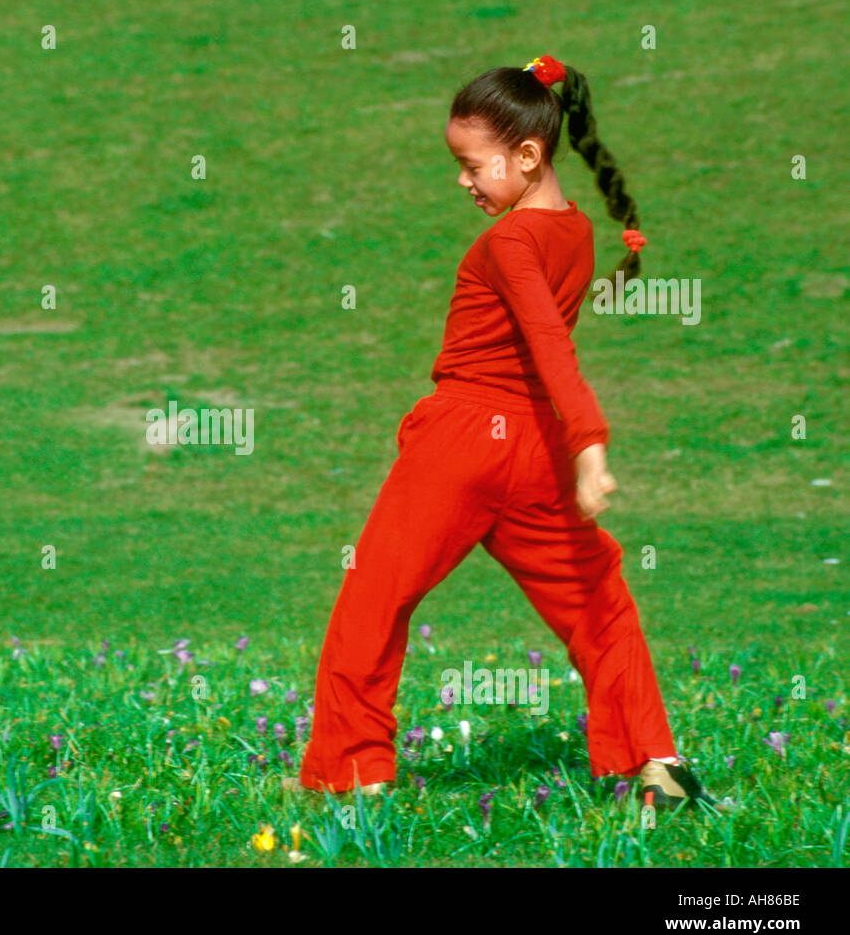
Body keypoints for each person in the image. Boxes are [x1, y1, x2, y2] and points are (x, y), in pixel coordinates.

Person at [291, 55, 721, 811]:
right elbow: (551, 350)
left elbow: (551, 346)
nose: (461, 181)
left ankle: (351, 779)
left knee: (375, 599)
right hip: (536, 451)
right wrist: (574, 449)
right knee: (598, 602)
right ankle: (659, 763)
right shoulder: (578, 233)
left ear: (527, 155)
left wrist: (593, 447)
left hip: (463, 443)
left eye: (470, 164)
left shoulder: (507, 244)